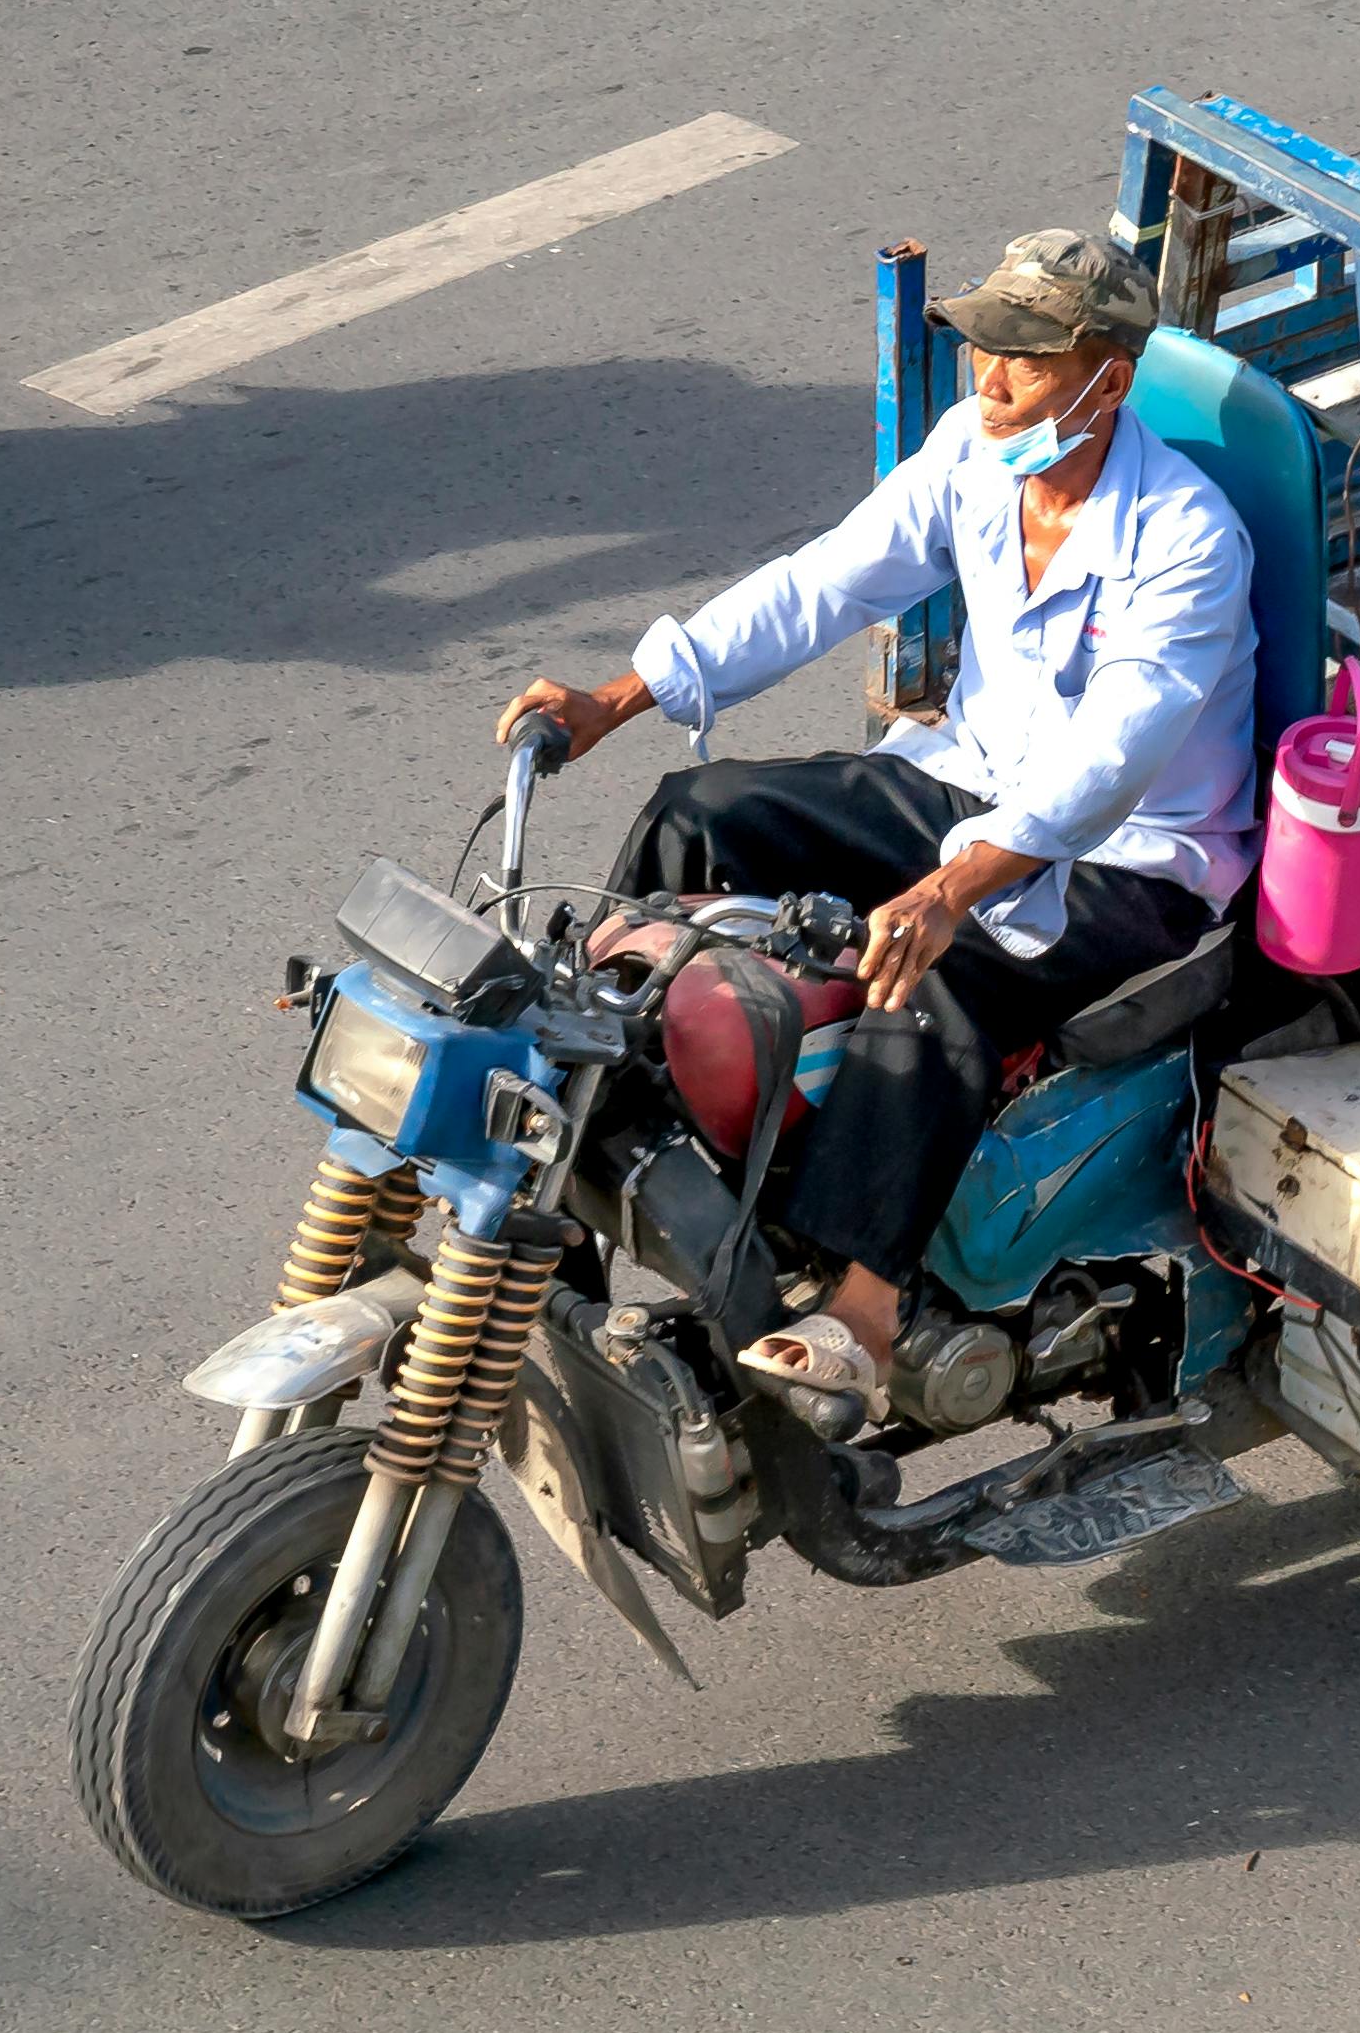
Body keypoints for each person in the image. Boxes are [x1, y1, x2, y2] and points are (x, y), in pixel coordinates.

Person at [500, 227, 1262, 1416]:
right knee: (700, 812)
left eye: (1027, 364)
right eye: (984, 354)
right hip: (967, 777)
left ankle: (865, 1302)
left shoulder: (1184, 538)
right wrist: (620, 697)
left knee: (937, 984)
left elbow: (1112, 761)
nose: (991, 384)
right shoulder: (973, 450)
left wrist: (951, 890)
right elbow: (826, 582)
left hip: (1129, 862)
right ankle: (623, 1105)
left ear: (1107, 380)